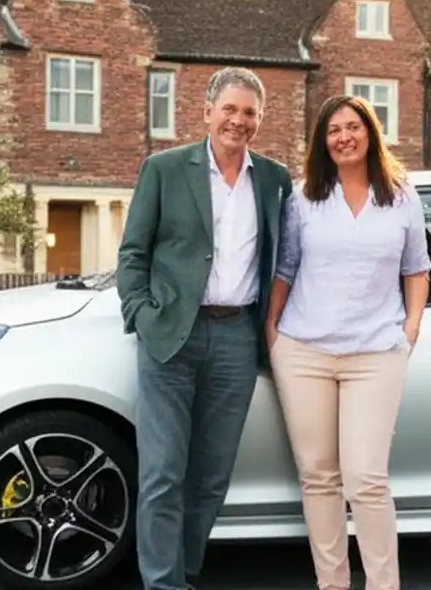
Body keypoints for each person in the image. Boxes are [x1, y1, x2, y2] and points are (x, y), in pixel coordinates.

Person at [117, 66, 294, 590]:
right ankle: (164, 584)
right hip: (172, 335)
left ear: (260, 119)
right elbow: (133, 254)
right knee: (163, 473)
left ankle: (185, 570)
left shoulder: (275, 179)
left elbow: (286, 257)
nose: (238, 121)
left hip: (238, 338)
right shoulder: (165, 169)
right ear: (207, 113)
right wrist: (143, 315)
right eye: (230, 110)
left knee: (212, 477)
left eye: (249, 112)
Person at [265, 94, 431, 590]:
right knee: (318, 477)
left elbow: (416, 269)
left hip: (376, 353)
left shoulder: (401, 195)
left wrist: (411, 330)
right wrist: (272, 332)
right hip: (304, 352)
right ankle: (331, 584)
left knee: (367, 480)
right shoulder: (304, 197)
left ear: (370, 132)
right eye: (333, 130)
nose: (343, 136)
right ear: (323, 142)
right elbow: (285, 269)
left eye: (352, 126)